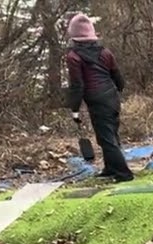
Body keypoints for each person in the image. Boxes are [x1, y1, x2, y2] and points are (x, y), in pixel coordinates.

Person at [64, 14, 133, 182]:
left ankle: (124, 174)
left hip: (96, 99)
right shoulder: (105, 52)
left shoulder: (74, 57)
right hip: (111, 97)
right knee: (110, 135)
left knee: (106, 139)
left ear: (74, 36)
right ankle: (110, 168)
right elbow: (118, 77)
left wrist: (74, 109)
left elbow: (77, 85)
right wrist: (117, 91)